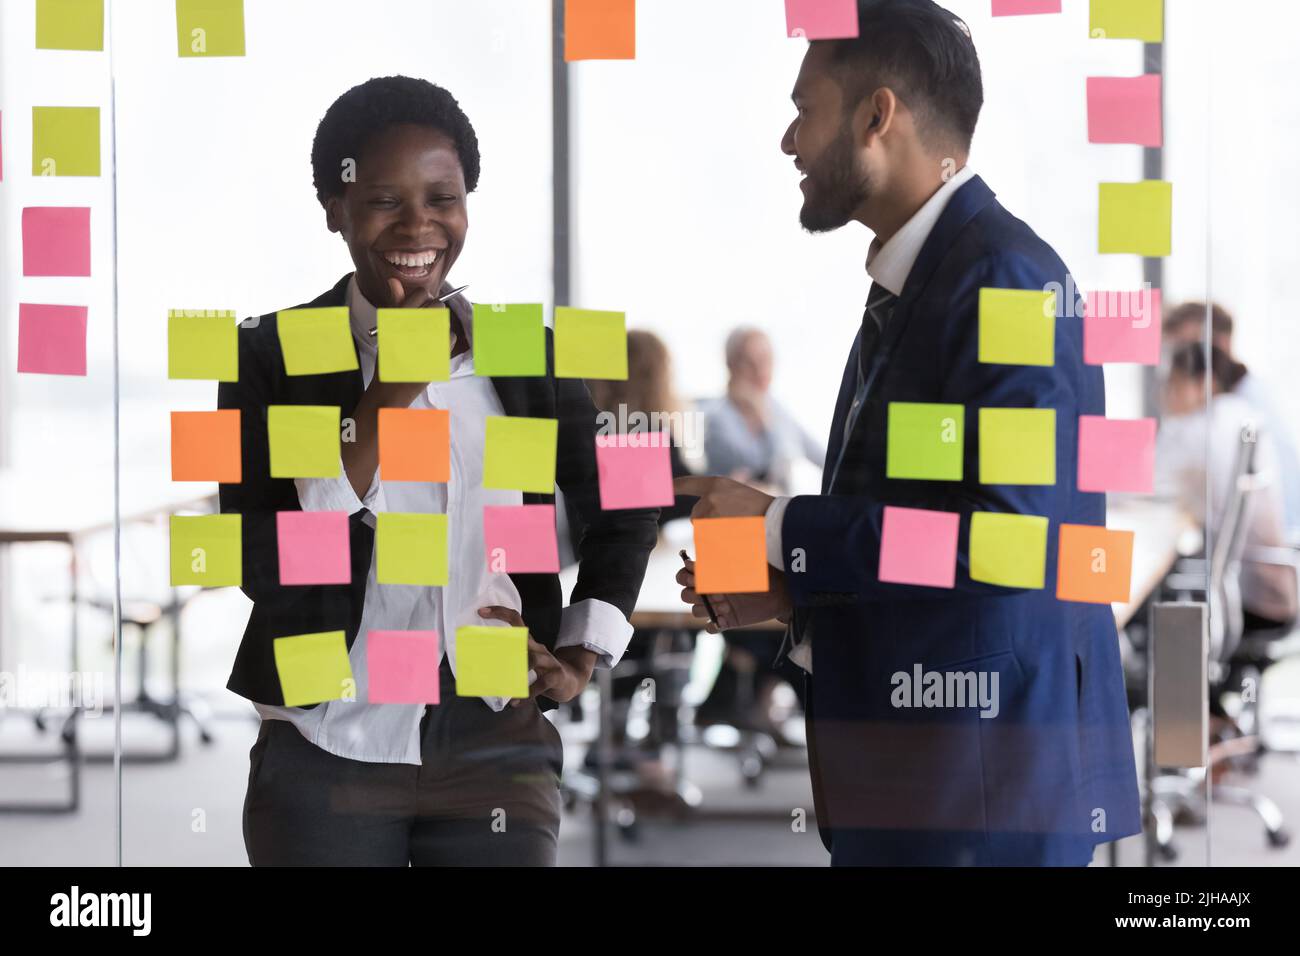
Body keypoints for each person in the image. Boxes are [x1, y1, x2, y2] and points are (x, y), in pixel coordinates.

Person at [675, 0, 1141, 866]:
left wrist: (779, 526)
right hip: (940, 779)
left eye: (803, 109)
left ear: (876, 114)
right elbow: (934, 533)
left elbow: (1005, 543)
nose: (788, 141)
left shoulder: (1000, 281)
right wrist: (795, 596)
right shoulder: (924, 277)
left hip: (980, 795)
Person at [218, 76, 657, 866]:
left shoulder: (521, 347)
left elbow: (628, 499)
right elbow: (261, 553)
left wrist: (585, 651)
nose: (419, 224)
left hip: (495, 732)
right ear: (334, 209)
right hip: (327, 738)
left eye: (442, 197)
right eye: (384, 199)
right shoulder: (269, 353)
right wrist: (394, 378)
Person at [1156, 343, 1297, 628]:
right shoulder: (1238, 413)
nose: (1165, 397)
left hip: (1250, 599)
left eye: (1174, 385)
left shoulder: (1198, 430)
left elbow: (1135, 484)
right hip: (1271, 589)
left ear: (1203, 384)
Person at [1164, 302, 1300, 537]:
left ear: (1220, 345)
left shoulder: (1232, 412)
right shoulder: (1242, 397)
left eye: (1188, 349)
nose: (1179, 364)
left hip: (1282, 543)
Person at [702, 327, 826, 494]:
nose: (760, 370)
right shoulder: (717, 417)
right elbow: (760, 465)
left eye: (765, 360)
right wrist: (762, 418)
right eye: (749, 362)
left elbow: (822, 457)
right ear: (731, 365)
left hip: (780, 511)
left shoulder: (777, 407)